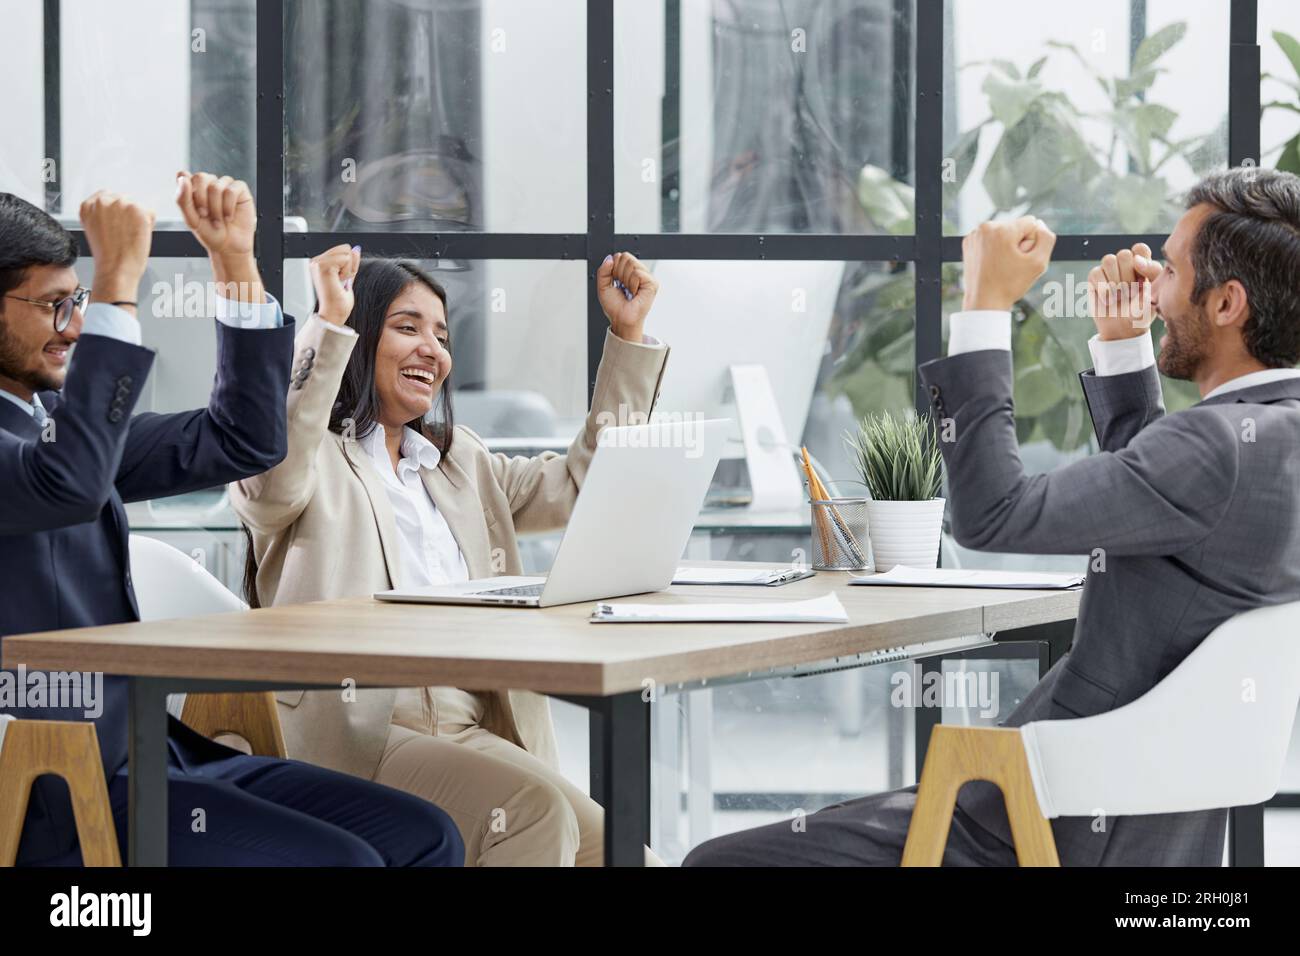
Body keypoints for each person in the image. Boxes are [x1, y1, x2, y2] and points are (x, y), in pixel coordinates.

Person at [684, 166, 1300, 867]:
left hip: (1033, 824)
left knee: (718, 861)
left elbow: (992, 514)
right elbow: (1162, 510)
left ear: (1227, 305)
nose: (1154, 287)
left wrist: (984, 305)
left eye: (1170, 269)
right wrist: (1124, 344)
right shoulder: (1271, 437)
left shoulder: (1216, 447)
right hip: (1149, 833)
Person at [0, 175, 462, 866]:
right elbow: (65, 484)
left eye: (81, 301)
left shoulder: (61, 425)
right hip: (51, 782)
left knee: (426, 836)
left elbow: (241, 439)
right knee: (344, 863)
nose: (73, 323)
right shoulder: (60, 450)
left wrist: (234, 266)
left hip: (152, 753)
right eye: (54, 304)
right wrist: (120, 285)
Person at [230, 246, 669, 865]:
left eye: (441, 335)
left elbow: (582, 484)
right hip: (362, 728)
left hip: (468, 722)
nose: (431, 350)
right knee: (531, 815)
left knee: (625, 853)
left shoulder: (459, 459)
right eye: (406, 327)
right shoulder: (302, 456)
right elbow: (270, 487)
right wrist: (328, 320)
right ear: (356, 338)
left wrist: (627, 335)